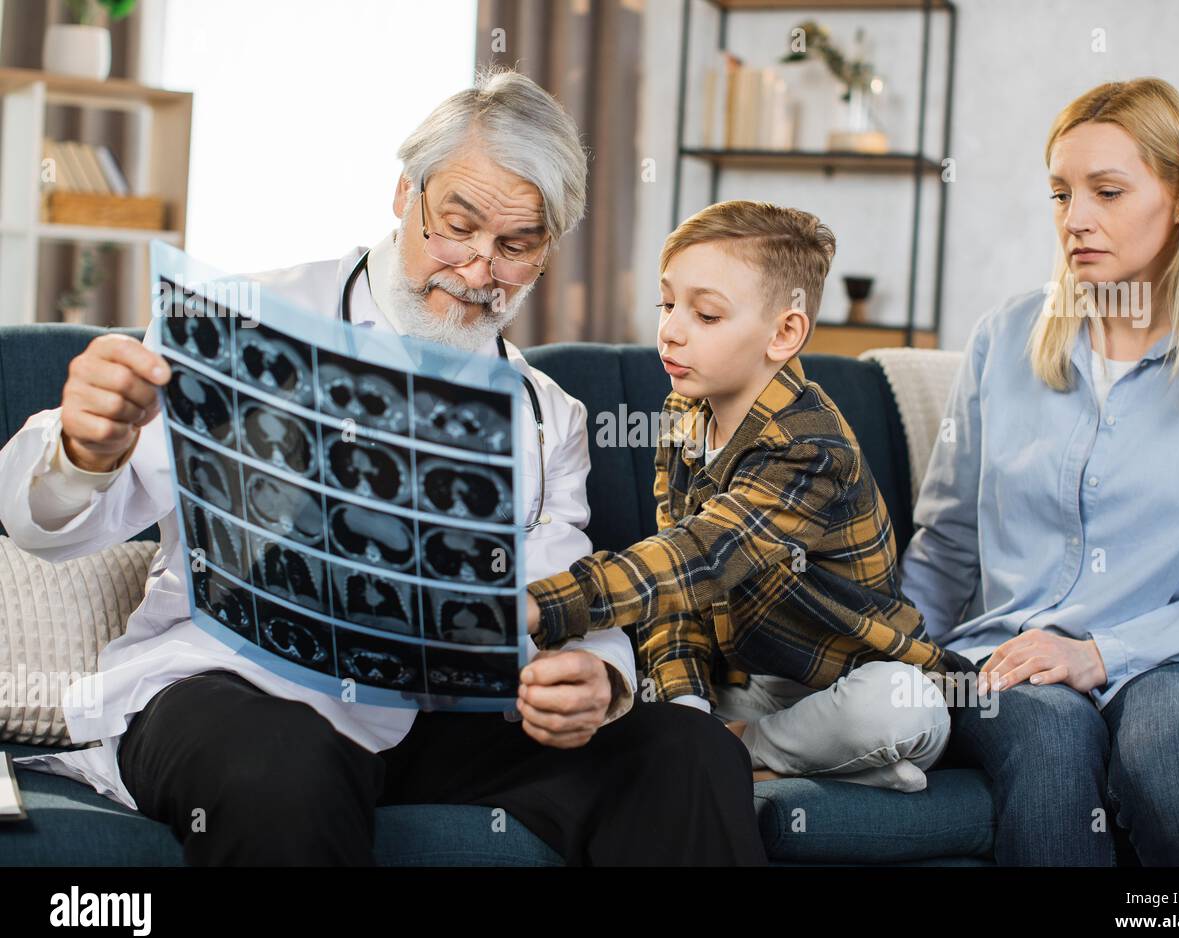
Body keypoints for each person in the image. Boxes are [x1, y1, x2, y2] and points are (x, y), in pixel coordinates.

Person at [0, 67, 766, 866]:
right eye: (456, 226)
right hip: (233, 700)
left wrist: (598, 678)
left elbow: (559, 588)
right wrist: (86, 448)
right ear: (406, 194)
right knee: (282, 759)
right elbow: (40, 529)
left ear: (548, 249)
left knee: (687, 752)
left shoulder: (548, 412)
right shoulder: (241, 322)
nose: (476, 272)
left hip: (433, 721)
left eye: (515, 246)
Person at [901, 78, 1179, 865]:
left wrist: (1100, 653)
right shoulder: (1004, 339)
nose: (1075, 219)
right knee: (1048, 739)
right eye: (1060, 193)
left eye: (1107, 191)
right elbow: (947, 540)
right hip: (1008, 657)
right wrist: (903, 667)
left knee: (1168, 749)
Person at [526, 199, 966, 792]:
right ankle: (787, 756)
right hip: (751, 685)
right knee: (656, 714)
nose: (671, 329)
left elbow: (699, 555)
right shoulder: (684, 413)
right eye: (667, 303)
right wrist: (686, 714)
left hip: (851, 680)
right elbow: (675, 594)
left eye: (705, 315)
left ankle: (747, 752)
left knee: (899, 704)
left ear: (784, 333)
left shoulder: (809, 446)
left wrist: (539, 605)